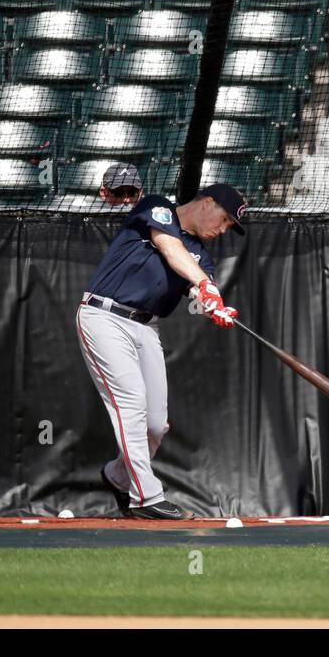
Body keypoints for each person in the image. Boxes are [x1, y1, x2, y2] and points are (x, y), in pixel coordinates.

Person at [75, 183, 248, 520]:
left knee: (155, 425)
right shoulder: (158, 208)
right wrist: (205, 286)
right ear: (207, 203)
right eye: (224, 219)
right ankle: (147, 498)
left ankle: (117, 476)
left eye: (229, 226)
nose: (222, 229)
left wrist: (213, 307)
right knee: (131, 404)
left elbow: (198, 295)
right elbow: (170, 248)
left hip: (146, 327)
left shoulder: (202, 257)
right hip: (105, 317)